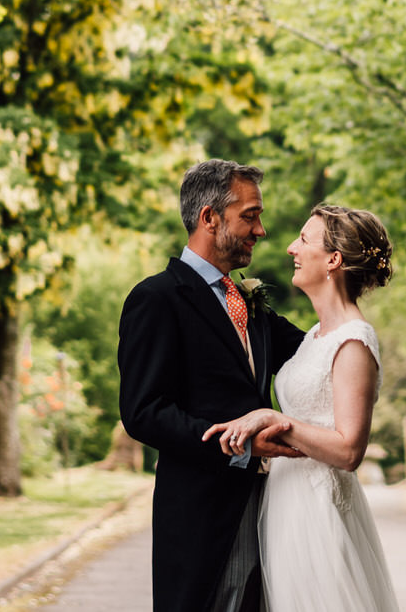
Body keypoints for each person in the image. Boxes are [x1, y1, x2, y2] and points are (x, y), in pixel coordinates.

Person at [119, 160, 311, 612]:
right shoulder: (156, 299)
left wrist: (341, 296)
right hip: (200, 517)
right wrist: (238, 444)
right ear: (209, 217)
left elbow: (313, 352)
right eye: (250, 215)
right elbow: (143, 412)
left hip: (272, 511)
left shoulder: (248, 299)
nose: (260, 230)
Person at [201, 204, 400, 612]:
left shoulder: (354, 343)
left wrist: (276, 419)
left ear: (333, 260)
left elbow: (349, 451)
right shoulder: (314, 336)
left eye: (304, 240)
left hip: (319, 516)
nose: (291, 247)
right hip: (286, 508)